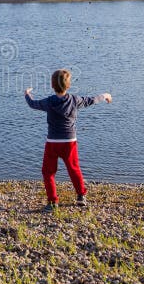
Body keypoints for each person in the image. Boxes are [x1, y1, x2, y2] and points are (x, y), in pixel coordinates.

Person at [24, 69, 111, 212]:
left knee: (48, 172)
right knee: (74, 168)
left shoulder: (49, 102)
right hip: (70, 141)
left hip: (52, 142)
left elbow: (33, 104)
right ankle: (81, 196)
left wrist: (27, 94)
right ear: (68, 86)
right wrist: (106, 95)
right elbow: (92, 100)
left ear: (52, 86)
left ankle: (52, 202)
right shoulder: (74, 100)